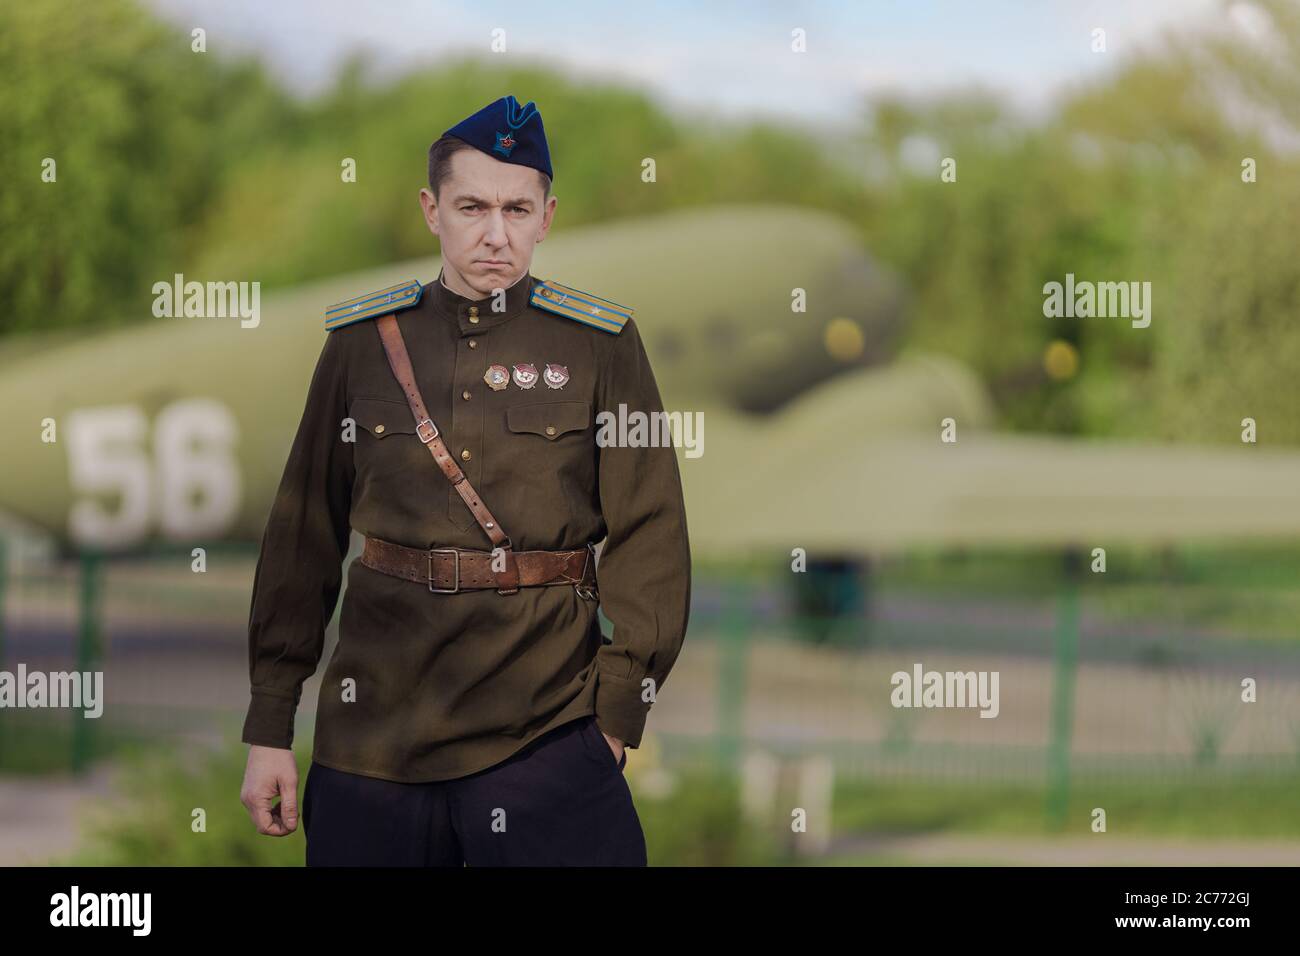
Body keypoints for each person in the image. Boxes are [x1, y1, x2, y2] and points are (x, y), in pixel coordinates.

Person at [236, 95, 692, 865]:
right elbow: (303, 533)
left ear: (547, 216)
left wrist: (616, 716)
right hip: (373, 743)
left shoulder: (601, 345)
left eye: (517, 208)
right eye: (471, 206)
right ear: (431, 209)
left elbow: (651, 532)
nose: (495, 233)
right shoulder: (361, 344)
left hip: (547, 741)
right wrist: (270, 724)